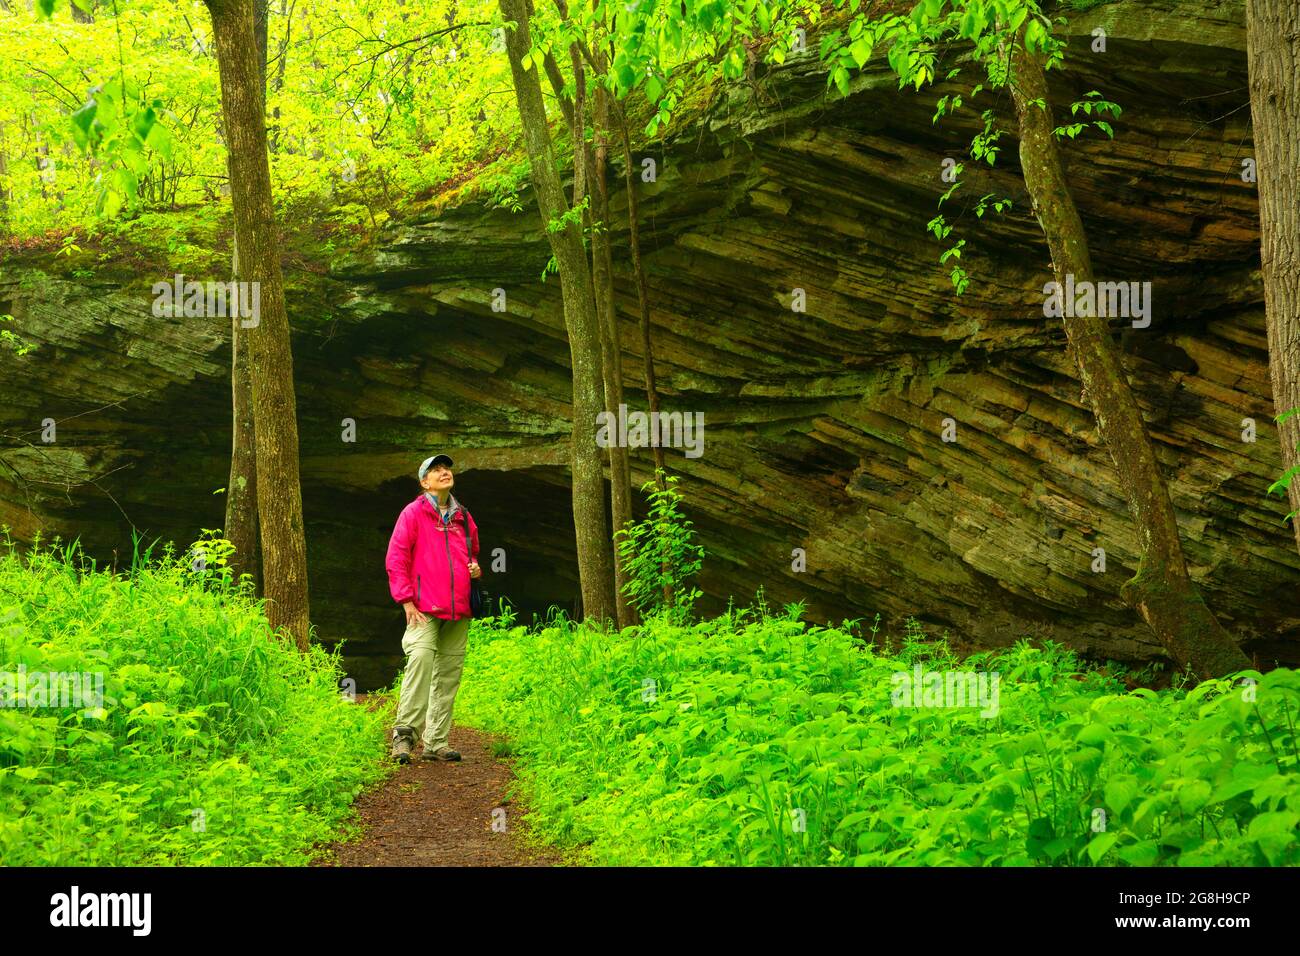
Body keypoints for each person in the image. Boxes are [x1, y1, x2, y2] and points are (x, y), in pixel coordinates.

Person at [384, 453, 482, 763]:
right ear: (424, 482)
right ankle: (404, 736)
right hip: (423, 608)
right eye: (435, 470)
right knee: (421, 661)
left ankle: (436, 742)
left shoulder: (463, 516)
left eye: (446, 468)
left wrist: (476, 568)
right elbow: (396, 558)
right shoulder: (412, 514)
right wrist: (406, 599)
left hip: (459, 609)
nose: (444, 472)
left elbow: (473, 553)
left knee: (449, 673)